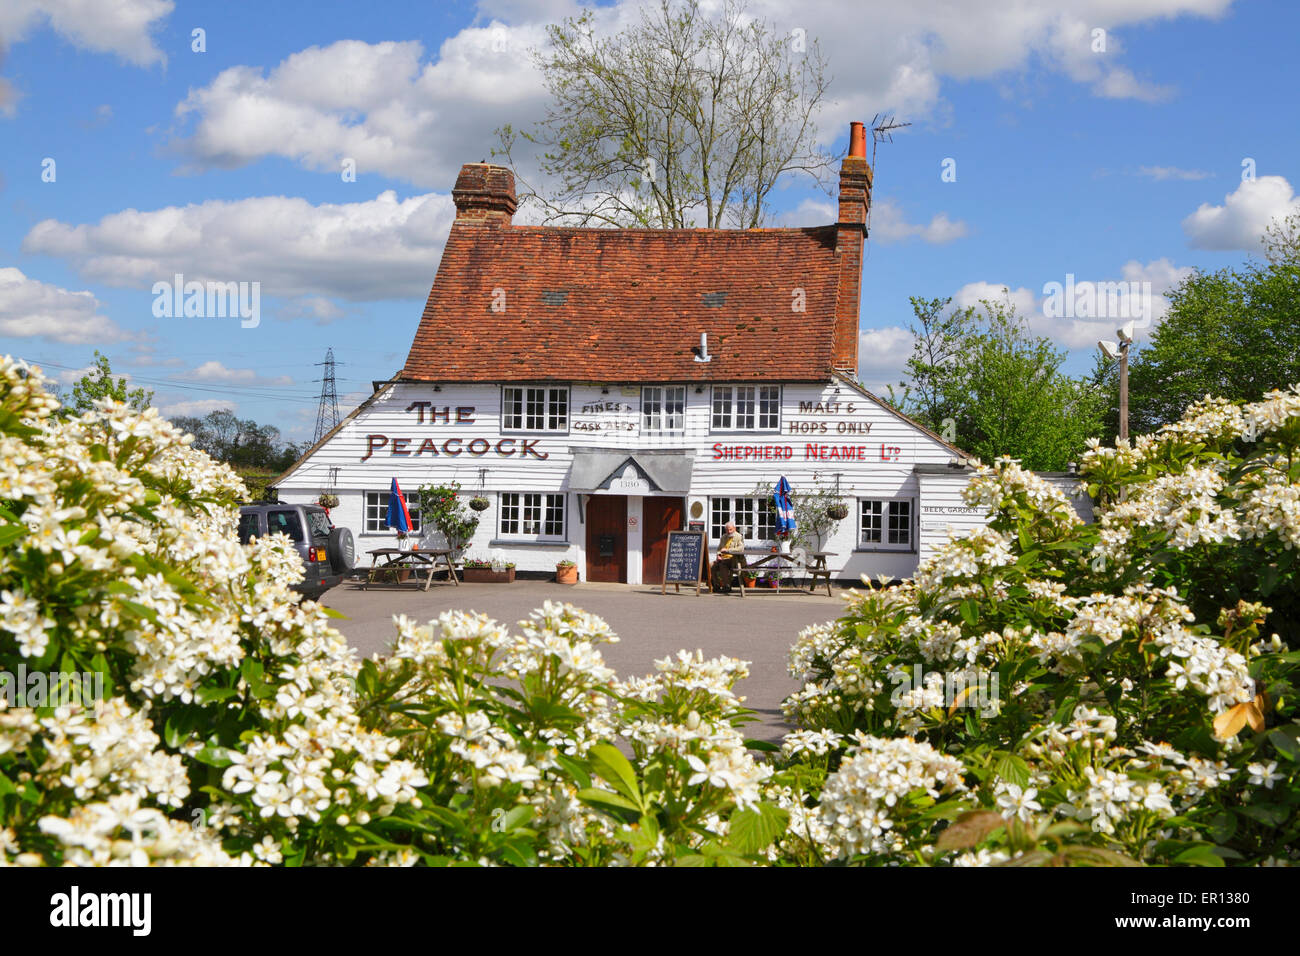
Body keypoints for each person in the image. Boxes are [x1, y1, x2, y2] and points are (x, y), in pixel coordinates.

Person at [712, 521, 746, 594]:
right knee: (711, 566)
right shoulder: (724, 537)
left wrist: (728, 550)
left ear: (734, 528)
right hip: (723, 558)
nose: (729, 531)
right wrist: (718, 556)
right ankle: (716, 585)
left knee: (722, 565)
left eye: (730, 529)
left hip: (734, 559)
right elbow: (719, 549)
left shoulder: (739, 536)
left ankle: (727, 586)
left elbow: (741, 548)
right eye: (727, 530)